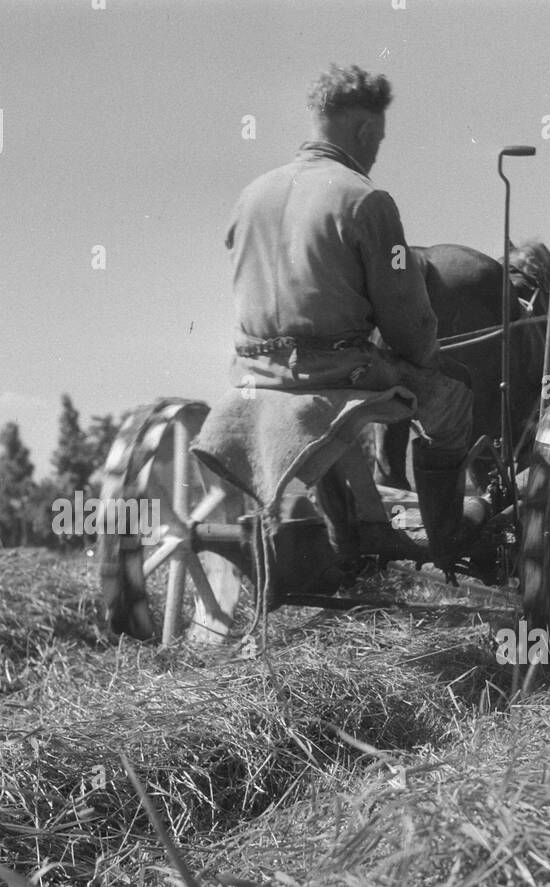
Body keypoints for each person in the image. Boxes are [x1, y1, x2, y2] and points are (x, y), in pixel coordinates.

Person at [224, 64, 483, 576]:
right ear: (365, 132)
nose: (375, 152)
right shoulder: (365, 200)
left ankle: (356, 525)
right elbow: (406, 315)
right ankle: (447, 537)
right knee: (454, 394)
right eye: (378, 140)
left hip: (252, 374)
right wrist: (425, 363)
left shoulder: (251, 195)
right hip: (336, 374)